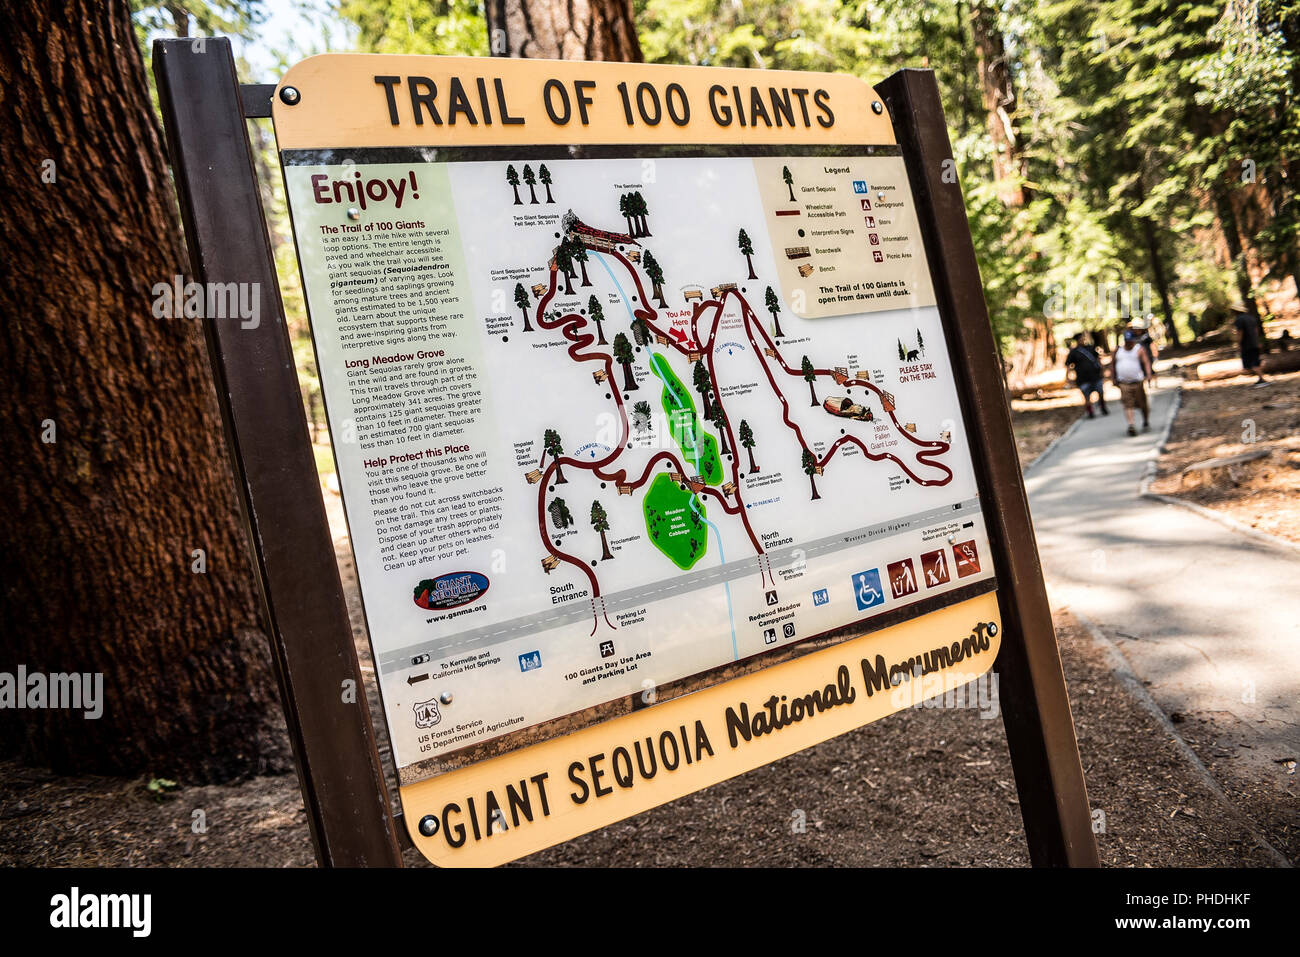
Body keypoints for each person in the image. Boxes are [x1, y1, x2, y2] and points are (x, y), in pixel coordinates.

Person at [1112, 328, 1152, 436]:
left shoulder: (1139, 349)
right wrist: (1113, 378)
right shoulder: (1118, 350)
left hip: (1137, 381)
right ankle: (1131, 425)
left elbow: (1146, 362)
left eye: (1130, 341)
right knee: (1127, 404)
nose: (1129, 343)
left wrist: (1148, 374)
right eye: (1127, 341)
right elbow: (1113, 364)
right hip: (1123, 382)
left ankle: (1145, 420)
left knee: (1142, 404)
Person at [1065, 333, 1108, 418]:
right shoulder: (1074, 352)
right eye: (1081, 338)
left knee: (1101, 392)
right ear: (1077, 340)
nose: (1083, 339)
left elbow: (1098, 359)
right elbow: (1068, 366)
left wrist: (1102, 370)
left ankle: (1103, 407)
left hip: (1095, 376)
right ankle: (1090, 412)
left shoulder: (1090, 348)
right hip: (1083, 379)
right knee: (1087, 396)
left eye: (1083, 338)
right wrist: (1068, 378)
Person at [1234, 310, 1266, 384]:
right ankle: (1261, 378)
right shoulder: (1251, 318)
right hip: (1254, 343)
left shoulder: (1239, 319)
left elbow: (1240, 332)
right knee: (1255, 362)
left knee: (1252, 364)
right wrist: (1257, 341)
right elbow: (1256, 331)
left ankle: (1262, 379)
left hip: (1246, 345)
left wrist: (1238, 344)